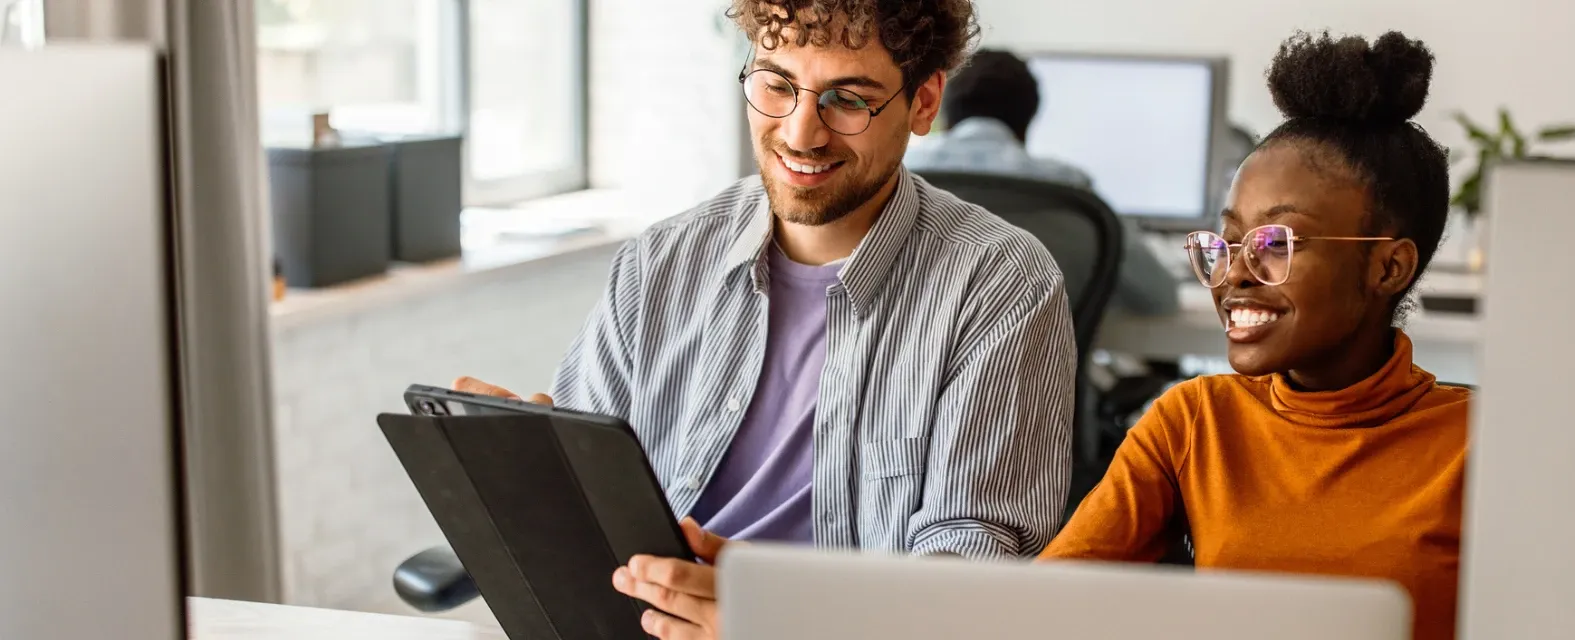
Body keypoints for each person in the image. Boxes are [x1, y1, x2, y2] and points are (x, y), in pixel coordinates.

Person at [456, 0, 1076, 637]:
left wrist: (790, 620)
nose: (801, 134)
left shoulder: (999, 282)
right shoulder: (661, 261)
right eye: (777, 86)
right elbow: (589, 503)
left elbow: (973, 570)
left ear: (923, 103)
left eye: (849, 99)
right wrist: (534, 475)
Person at [1040, 31, 1468, 640]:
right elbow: (1043, 606)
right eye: (1229, 241)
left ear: (1388, 267)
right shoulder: (1195, 422)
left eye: (1277, 242)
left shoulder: (1478, 449)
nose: (1235, 273)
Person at [904, 48, 1182, 317]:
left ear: (941, 113)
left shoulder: (902, 175)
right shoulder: (1073, 191)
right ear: (1027, 123)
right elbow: (1159, 296)